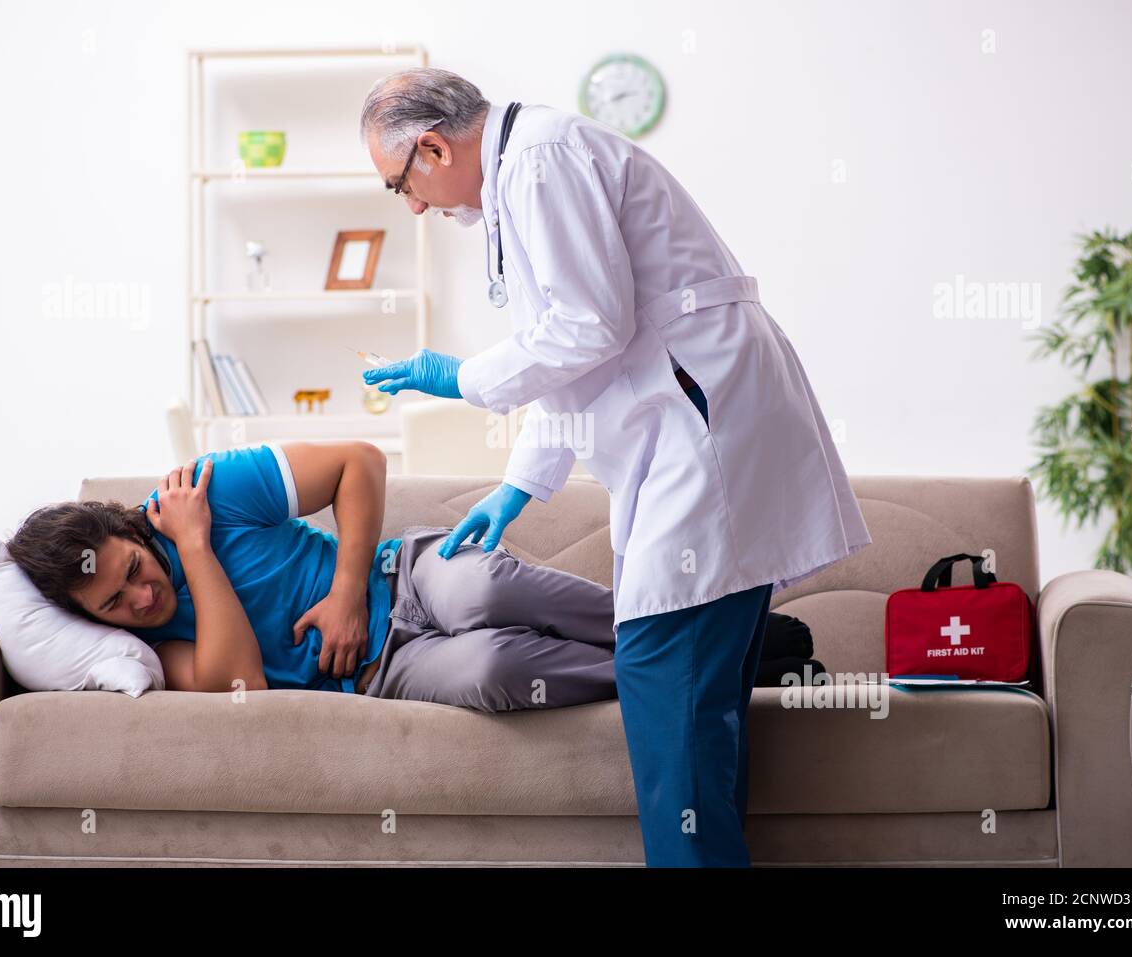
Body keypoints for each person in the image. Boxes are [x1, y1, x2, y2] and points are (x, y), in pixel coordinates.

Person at [358, 68, 873, 866]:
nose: (417, 207)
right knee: (695, 704)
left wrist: (458, 379)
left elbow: (589, 327)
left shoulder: (538, 160)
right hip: (694, 424)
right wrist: (520, 482)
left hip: (705, 430)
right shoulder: (526, 168)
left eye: (402, 186)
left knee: (663, 673)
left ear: (430, 146)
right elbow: (571, 350)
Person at [6, 440, 623, 708]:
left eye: (135, 569)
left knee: (482, 591)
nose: (143, 598)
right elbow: (240, 681)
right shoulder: (140, 651)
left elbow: (360, 462)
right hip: (384, 672)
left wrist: (346, 597)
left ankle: (659, 626)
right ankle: (658, 670)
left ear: (131, 528)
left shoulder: (207, 486)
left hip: (402, 576)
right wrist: (194, 547)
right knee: (495, 668)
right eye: (114, 602)